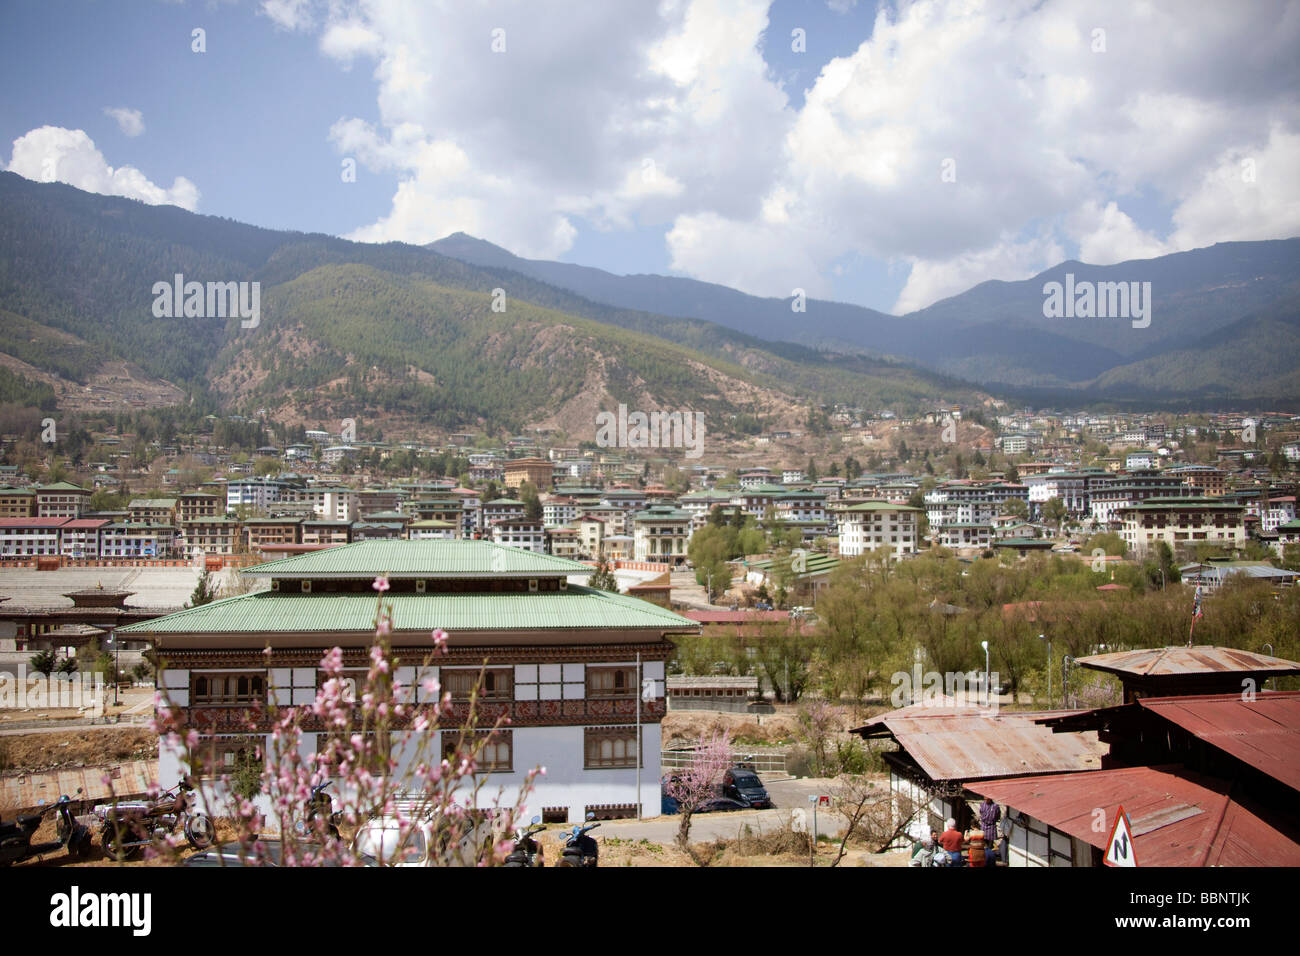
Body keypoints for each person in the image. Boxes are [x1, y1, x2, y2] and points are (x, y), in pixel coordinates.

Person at [978, 797, 1001, 867]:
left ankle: (990, 858)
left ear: (990, 799)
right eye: (985, 799)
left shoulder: (995, 806)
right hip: (984, 826)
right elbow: (981, 813)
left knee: (990, 845)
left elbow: (998, 816)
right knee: (984, 844)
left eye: (987, 799)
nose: (986, 800)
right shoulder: (982, 805)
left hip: (991, 826)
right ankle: (984, 858)